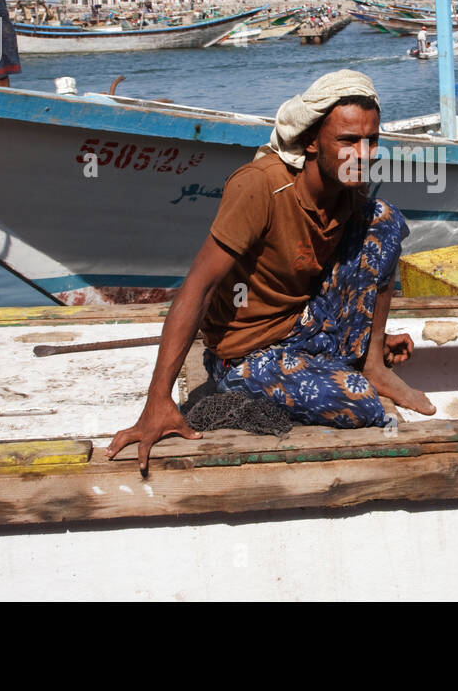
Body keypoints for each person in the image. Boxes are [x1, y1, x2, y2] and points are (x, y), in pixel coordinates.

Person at [107, 70, 436, 473]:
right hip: (247, 352)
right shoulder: (260, 187)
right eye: (348, 140)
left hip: (302, 323)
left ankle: (372, 364)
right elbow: (198, 287)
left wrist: (372, 335)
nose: (363, 153)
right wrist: (158, 399)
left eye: (371, 141)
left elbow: (358, 269)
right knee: (359, 402)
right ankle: (321, 372)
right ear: (312, 141)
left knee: (383, 219)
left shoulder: (350, 188)